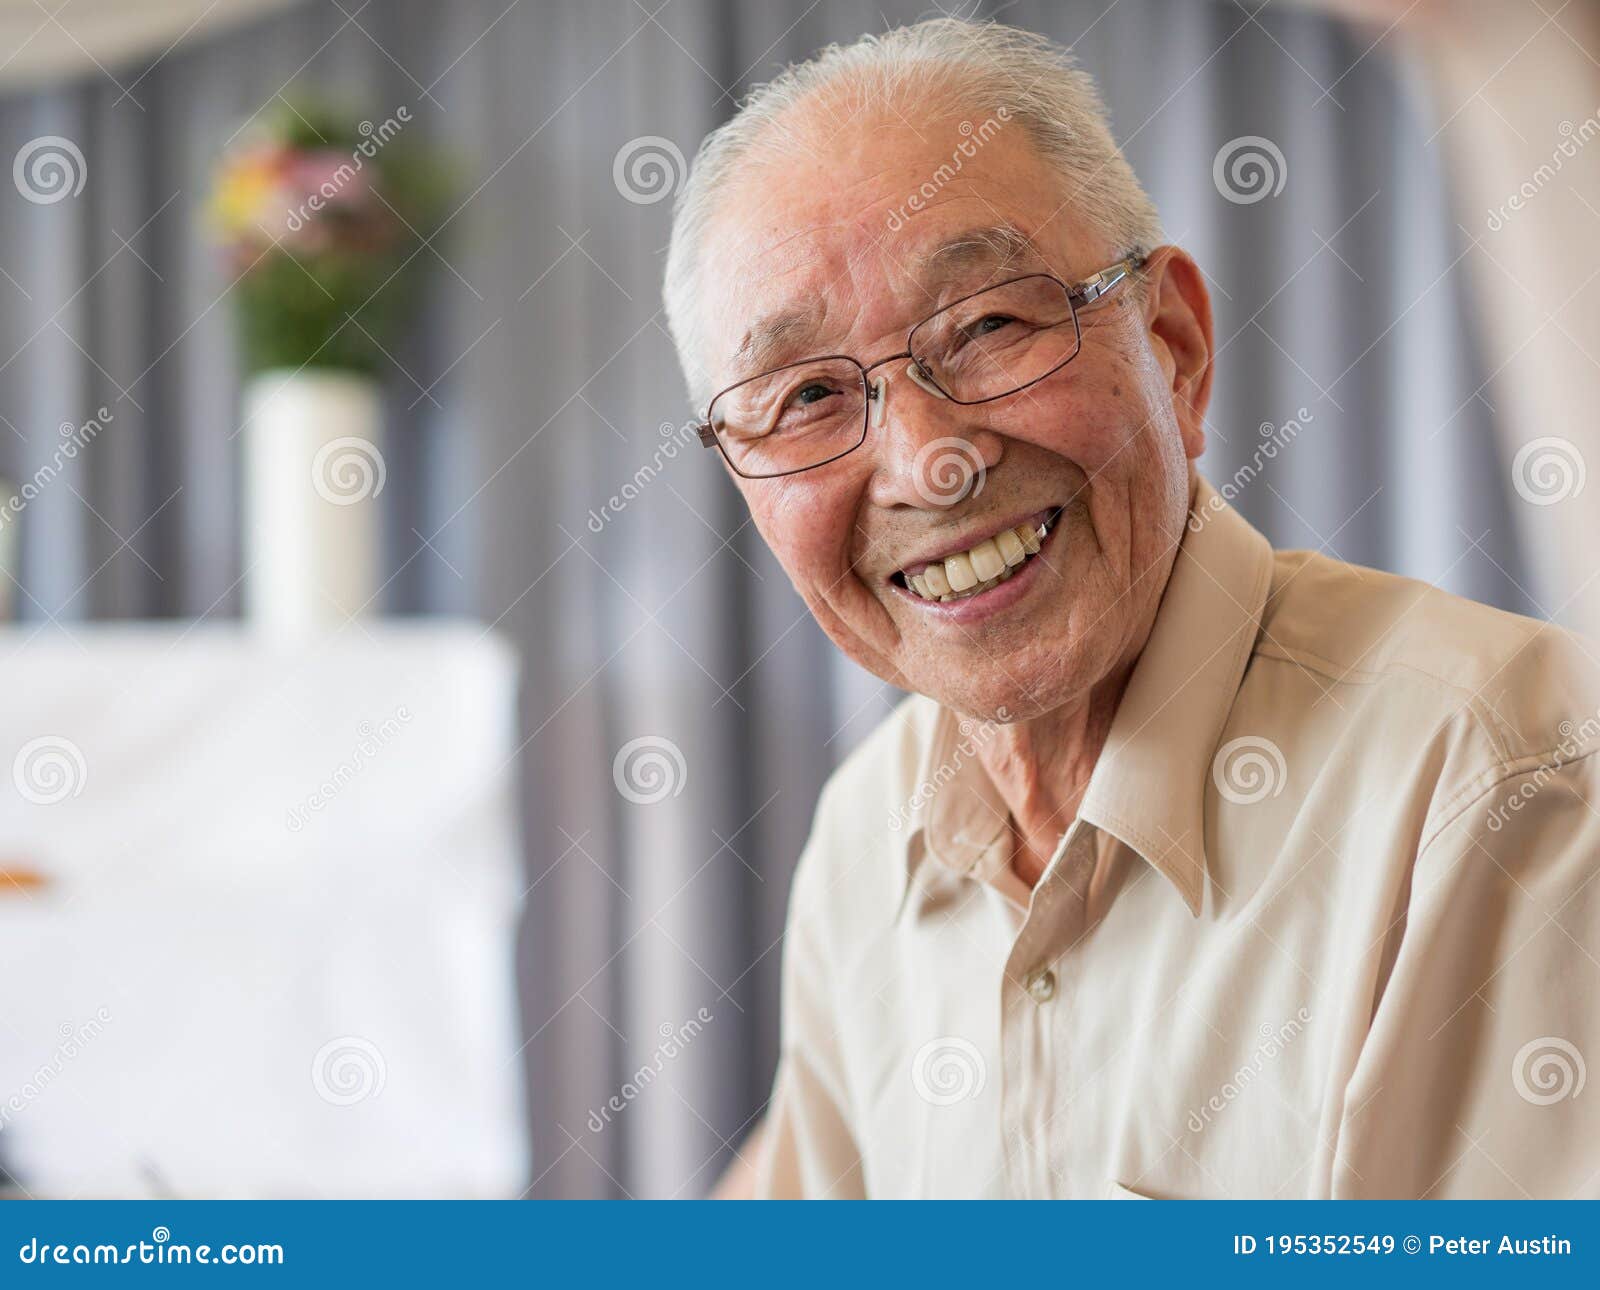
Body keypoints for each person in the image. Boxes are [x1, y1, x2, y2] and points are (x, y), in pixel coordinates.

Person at [665, 18, 1600, 1199]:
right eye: (803, 395)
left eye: (989, 325)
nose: (926, 463)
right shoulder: (870, 831)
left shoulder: (1497, 773)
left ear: (1174, 346)